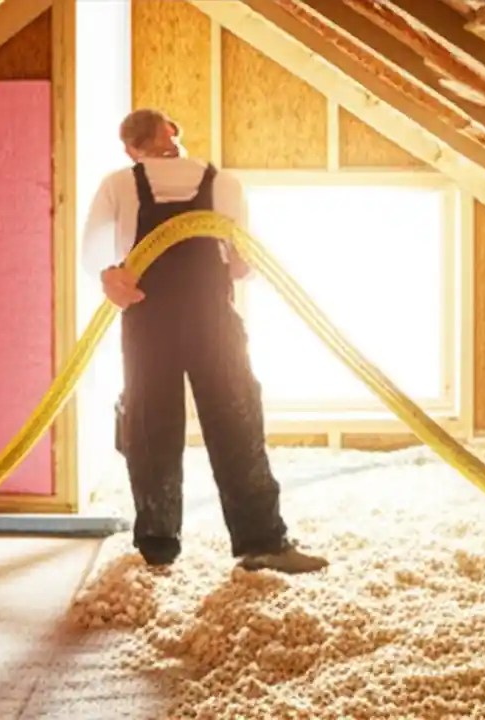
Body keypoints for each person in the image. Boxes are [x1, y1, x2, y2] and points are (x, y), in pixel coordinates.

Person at [80, 108, 328, 575]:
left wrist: (110, 277)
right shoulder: (223, 183)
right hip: (210, 319)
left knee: (150, 426)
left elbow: (93, 257)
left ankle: (157, 547)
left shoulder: (118, 183)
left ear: (130, 149)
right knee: (237, 421)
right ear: (171, 131)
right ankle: (262, 541)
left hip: (147, 320)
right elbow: (243, 265)